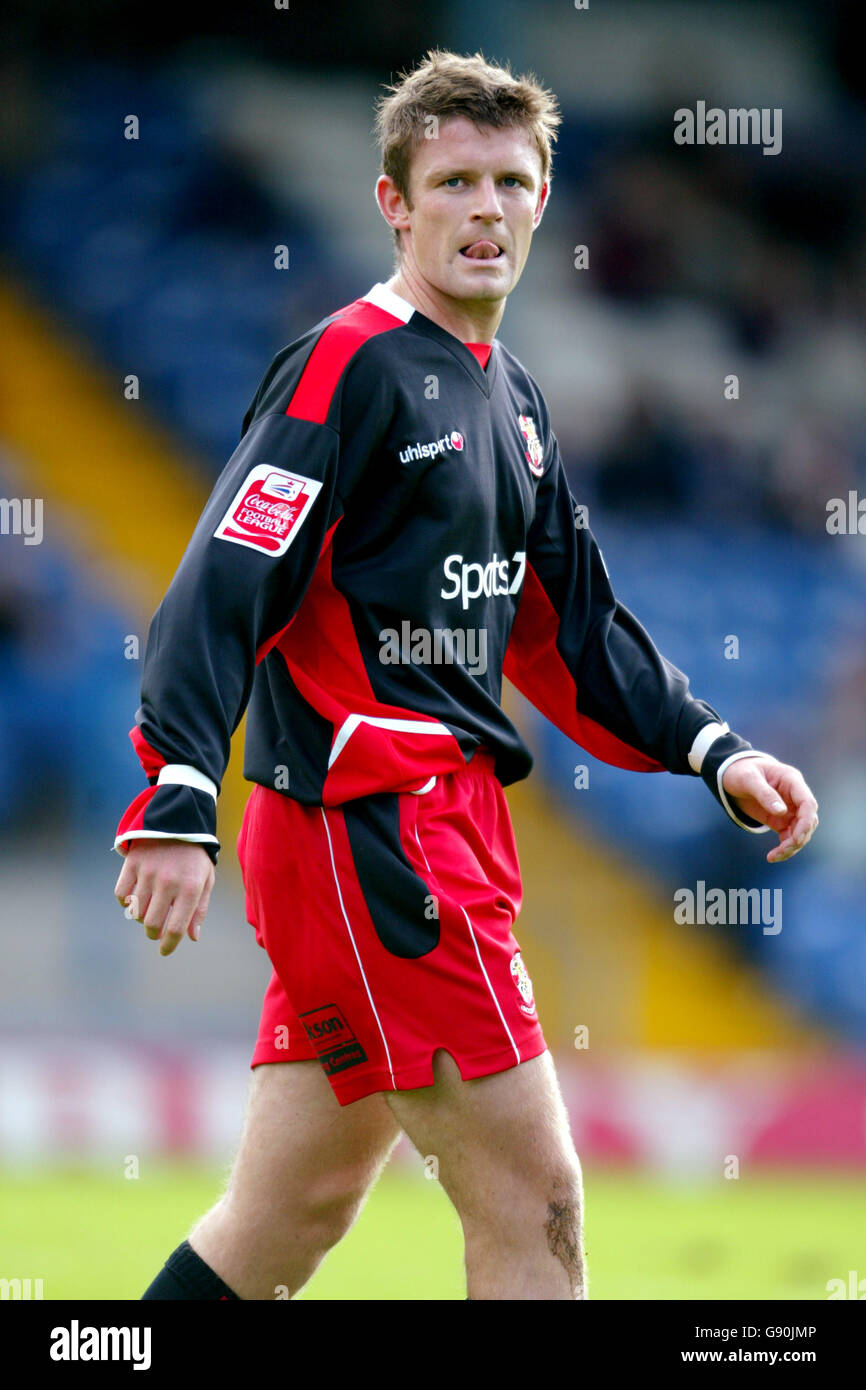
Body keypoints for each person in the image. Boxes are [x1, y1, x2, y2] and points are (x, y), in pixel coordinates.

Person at [112, 49, 819, 1301]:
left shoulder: (515, 400)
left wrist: (715, 748)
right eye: (451, 183)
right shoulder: (349, 366)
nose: (483, 209)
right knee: (532, 1198)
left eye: (509, 181)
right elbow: (224, 579)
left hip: (436, 828)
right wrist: (175, 793)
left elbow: (572, 630)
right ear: (394, 203)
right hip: (370, 834)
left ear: (544, 201)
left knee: (287, 1217)